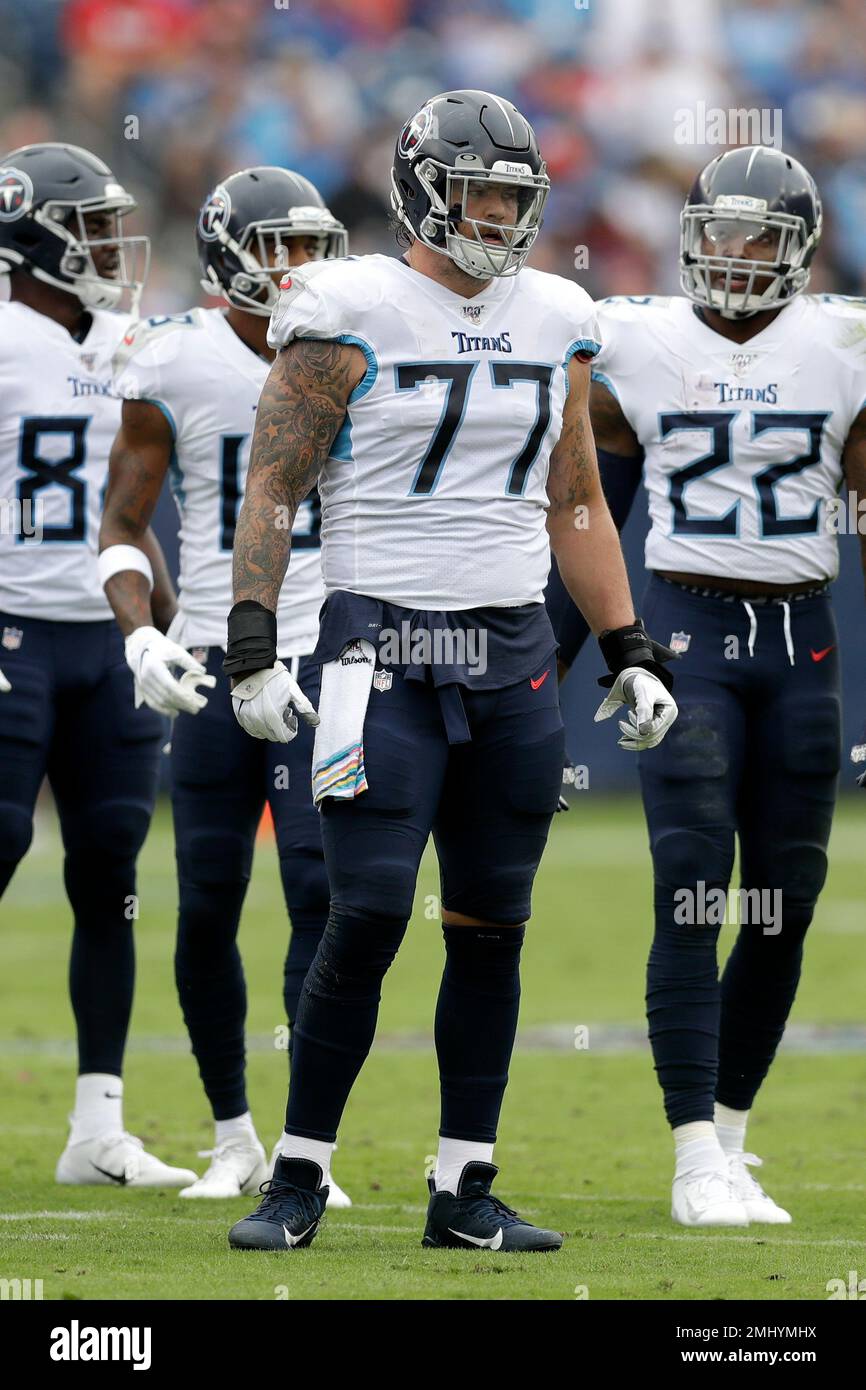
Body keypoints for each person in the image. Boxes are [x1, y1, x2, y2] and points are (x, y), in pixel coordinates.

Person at [221, 90, 677, 1253]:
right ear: (425, 189)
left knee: (490, 923)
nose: (499, 215)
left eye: (516, 198)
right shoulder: (348, 304)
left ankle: (463, 1186)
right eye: (481, 192)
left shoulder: (558, 315)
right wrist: (252, 637)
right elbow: (272, 484)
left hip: (512, 644)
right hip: (378, 639)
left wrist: (623, 644)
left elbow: (573, 495)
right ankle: (299, 1175)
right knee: (366, 910)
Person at [547, 145, 866, 1227]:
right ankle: (690, 1154)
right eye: (715, 235)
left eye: (754, 239)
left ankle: (729, 1137)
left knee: (783, 904)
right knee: (691, 883)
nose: (731, 258)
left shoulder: (841, 344)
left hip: (802, 645)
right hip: (684, 633)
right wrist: (542, 671)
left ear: (798, 253)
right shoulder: (634, 339)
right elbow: (589, 509)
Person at [100, 167, 352, 1204]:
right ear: (223, 259)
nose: (296, 269)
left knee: (317, 893)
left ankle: (301, 1150)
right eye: (276, 248)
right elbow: (120, 522)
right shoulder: (176, 362)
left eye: (310, 247)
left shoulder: (359, 349)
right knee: (206, 899)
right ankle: (234, 1136)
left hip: (322, 655)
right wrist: (140, 636)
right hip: (209, 656)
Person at [0, 141, 195, 1187]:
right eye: (93, 226)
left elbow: (127, 508)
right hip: (10, 631)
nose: (113, 245)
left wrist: (167, 623)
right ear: (35, 236)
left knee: (110, 875)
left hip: (107, 641)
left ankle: (97, 1127)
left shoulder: (132, 341)